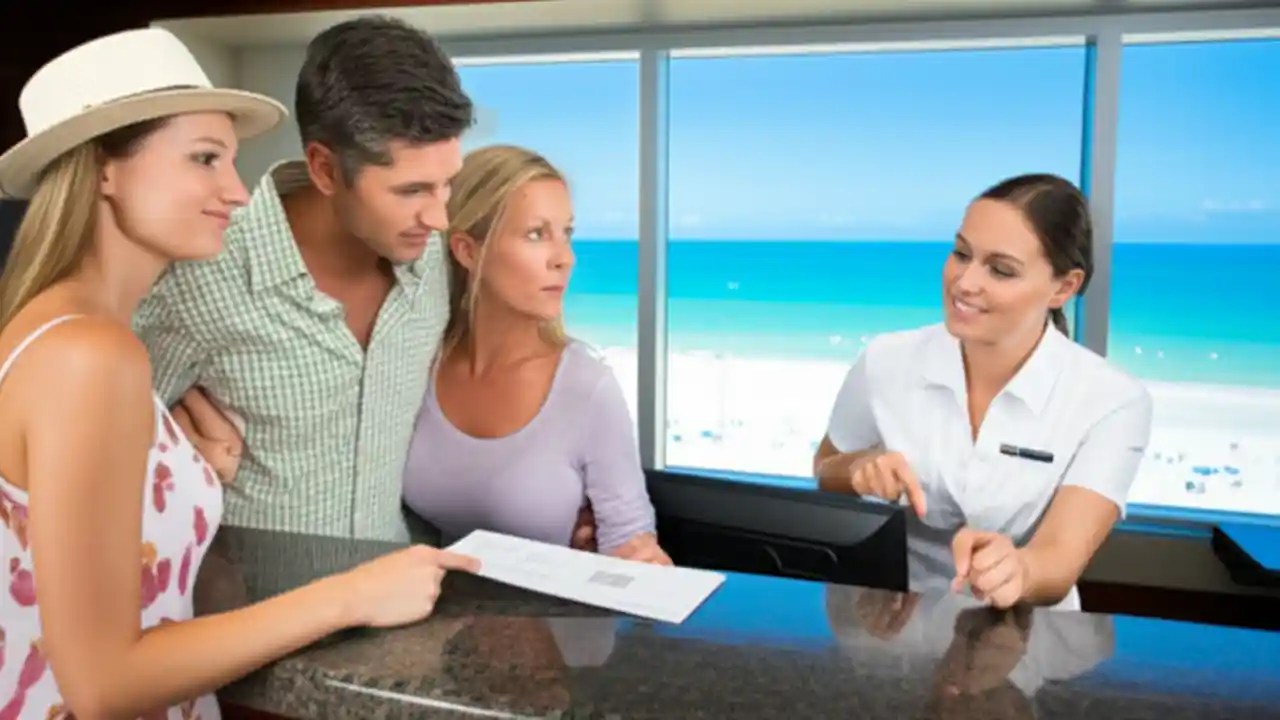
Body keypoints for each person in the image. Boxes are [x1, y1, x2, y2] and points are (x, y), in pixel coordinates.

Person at [0, 28, 478, 720]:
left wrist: (197, 470)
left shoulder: (60, 333)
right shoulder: (92, 353)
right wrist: (352, 593)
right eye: (204, 159)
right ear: (104, 168)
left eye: (229, 159)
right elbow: (101, 683)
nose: (234, 189)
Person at [132, 15, 473, 542]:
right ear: (324, 169)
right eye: (411, 191)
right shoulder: (199, 279)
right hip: (243, 612)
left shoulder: (435, 266)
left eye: (446, 184)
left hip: (397, 607)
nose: (439, 217)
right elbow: (95, 459)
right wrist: (173, 463)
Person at [813, 173, 1153, 611]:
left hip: (1023, 640)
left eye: (1001, 270)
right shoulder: (885, 360)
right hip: (889, 625)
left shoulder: (1113, 401)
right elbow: (824, 470)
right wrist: (859, 468)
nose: (965, 282)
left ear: (1064, 287)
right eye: (961, 254)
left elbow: (1059, 559)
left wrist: (1020, 570)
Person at [402, 144, 669, 563]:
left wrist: (644, 566)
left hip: (555, 626)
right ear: (467, 251)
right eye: (536, 234)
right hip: (436, 620)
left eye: (567, 233)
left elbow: (632, 549)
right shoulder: (418, 363)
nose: (564, 258)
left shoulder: (586, 387)